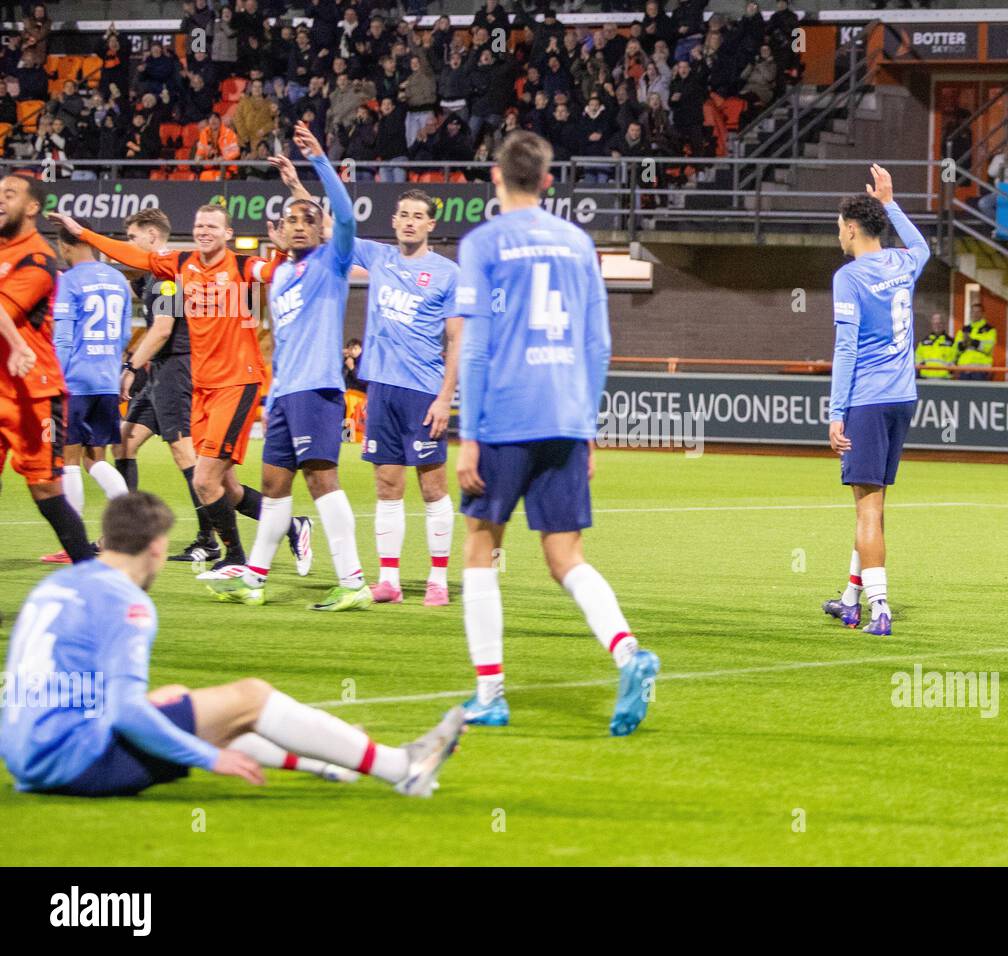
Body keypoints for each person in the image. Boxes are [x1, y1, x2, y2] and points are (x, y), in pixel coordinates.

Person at [0, 492, 465, 798]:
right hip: (75, 764)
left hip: (27, 757)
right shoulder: (128, 603)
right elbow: (124, 712)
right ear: (158, 549)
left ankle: (332, 764)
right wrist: (210, 757)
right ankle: (401, 767)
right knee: (250, 698)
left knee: (184, 701)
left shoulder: (59, 586)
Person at [454, 131, 660, 735]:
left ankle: (490, 692)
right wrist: (586, 426)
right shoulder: (578, 243)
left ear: (497, 176)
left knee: (481, 548)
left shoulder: (483, 243)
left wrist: (469, 434)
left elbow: (479, 339)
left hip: (506, 416)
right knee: (565, 556)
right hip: (565, 418)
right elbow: (599, 343)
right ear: (548, 180)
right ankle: (628, 652)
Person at [45, 205, 312, 579]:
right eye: (199, 224)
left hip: (210, 376)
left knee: (197, 470)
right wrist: (84, 232)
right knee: (210, 479)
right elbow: (133, 257)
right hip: (193, 380)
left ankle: (223, 548)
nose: (203, 230)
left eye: (212, 226)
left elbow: (167, 326)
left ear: (227, 233)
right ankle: (290, 525)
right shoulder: (175, 268)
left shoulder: (232, 269)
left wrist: (284, 251)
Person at [275, 159, 462, 608]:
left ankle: (438, 578)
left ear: (430, 224)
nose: (410, 222)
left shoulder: (447, 273)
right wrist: (300, 185)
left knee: (433, 488)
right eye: (404, 215)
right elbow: (327, 227)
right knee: (387, 486)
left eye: (419, 216)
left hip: (423, 391)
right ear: (395, 222)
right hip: (381, 388)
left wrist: (444, 398)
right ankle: (390, 580)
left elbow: (457, 338)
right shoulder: (378, 256)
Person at [208, 123, 370, 612]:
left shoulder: (331, 262)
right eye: (291, 219)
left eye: (308, 219)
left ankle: (354, 580)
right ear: (278, 230)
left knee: (323, 482)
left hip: (317, 391)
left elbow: (341, 214)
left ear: (320, 230)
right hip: (282, 395)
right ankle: (255, 578)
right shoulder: (281, 275)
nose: (300, 224)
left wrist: (319, 163)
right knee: (275, 489)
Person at [821, 166, 930, 637]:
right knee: (873, 501)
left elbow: (846, 348)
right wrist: (891, 202)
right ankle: (850, 599)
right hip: (903, 398)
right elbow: (924, 247)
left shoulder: (849, 277)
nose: (838, 234)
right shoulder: (902, 264)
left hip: (866, 399)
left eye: (839, 227)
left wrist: (835, 412)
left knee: (868, 508)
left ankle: (879, 608)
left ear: (850, 228)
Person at [111, 209, 221, 563]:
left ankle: (209, 540)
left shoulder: (167, 278)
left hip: (176, 367)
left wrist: (130, 366)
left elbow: (162, 329)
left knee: (184, 452)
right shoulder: (149, 278)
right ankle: (130, 535)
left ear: (153, 238)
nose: (128, 245)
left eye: (132, 237)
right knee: (124, 443)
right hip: (160, 371)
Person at [0, 174, 96, 564]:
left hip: (35, 395)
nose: (1, 200)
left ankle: (95, 580)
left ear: (32, 207)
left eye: (10, 194)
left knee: (46, 491)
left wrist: (20, 344)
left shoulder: (37, 257)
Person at [41, 228, 134, 563]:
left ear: (66, 245)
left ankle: (73, 544)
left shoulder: (69, 281)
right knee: (96, 459)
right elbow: (124, 333)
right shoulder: (117, 279)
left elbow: (63, 338)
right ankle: (125, 526)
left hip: (75, 382)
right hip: (106, 381)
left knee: (67, 460)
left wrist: (56, 380)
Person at [955, 301, 996, 379]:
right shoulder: (964, 329)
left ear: (983, 314)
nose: (975, 314)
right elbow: (956, 349)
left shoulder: (989, 330)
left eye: (978, 312)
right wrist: (963, 344)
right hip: (964, 369)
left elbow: (988, 348)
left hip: (981, 370)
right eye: (973, 312)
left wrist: (970, 341)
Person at [914, 312, 956, 379]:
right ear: (932, 324)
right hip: (926, 379)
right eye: (935, 323)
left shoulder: (951, 342)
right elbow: (917, 359)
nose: (937, 326)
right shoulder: (923, 342)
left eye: (939, 323)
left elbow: (954, 360)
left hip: (944, 379)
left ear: (943, 324)